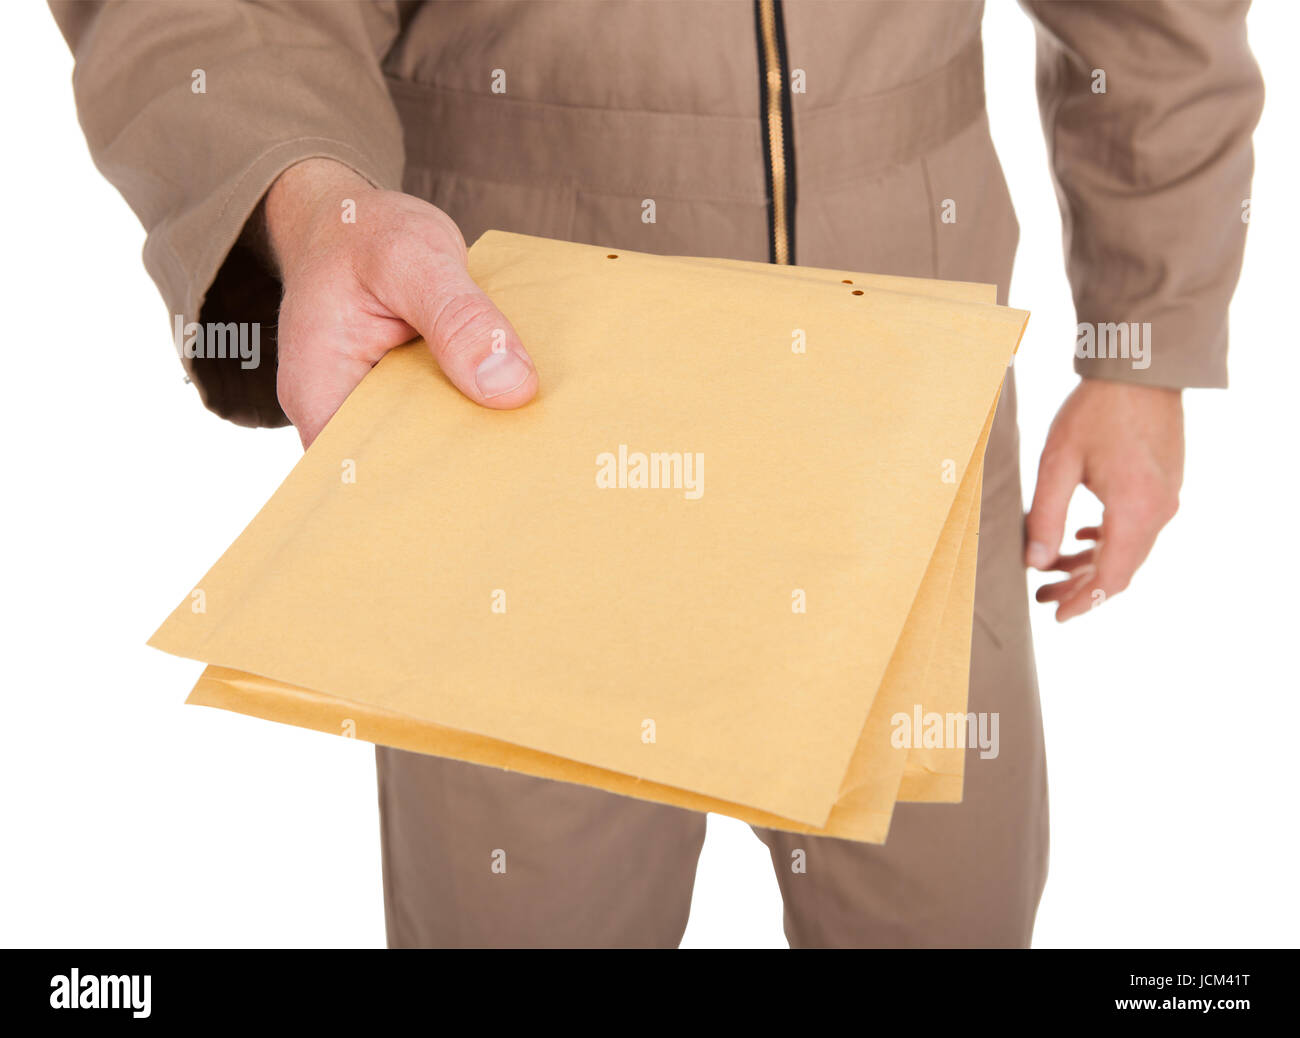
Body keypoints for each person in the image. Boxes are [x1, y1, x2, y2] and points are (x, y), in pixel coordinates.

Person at [51, 0, 1263, 947]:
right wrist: (309, 203)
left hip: (908, 398)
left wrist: (1144, 338)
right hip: (511, 383)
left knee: (951, 926)